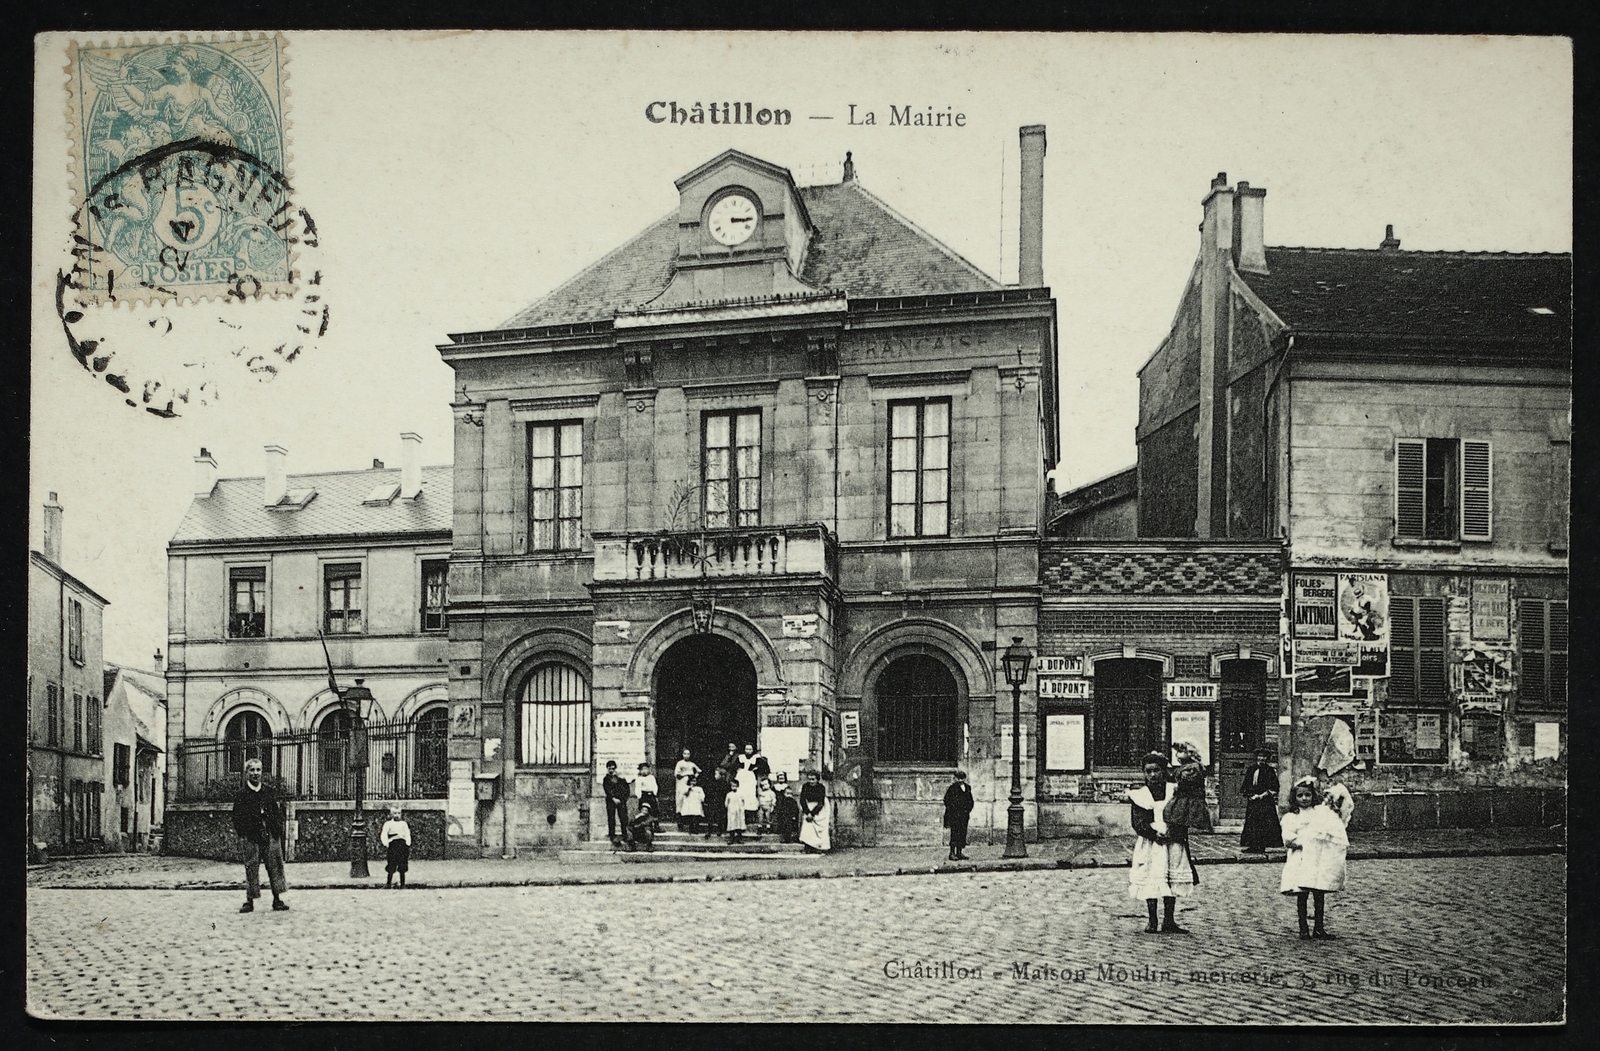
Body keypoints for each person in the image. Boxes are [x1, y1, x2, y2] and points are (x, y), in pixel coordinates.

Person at [1127, 752, 1196, 934]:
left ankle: (1169, 920)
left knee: (1170, 878)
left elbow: (1183, 813)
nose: (1152, 775)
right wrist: (1153, 834)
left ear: (1164, 771)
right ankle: (1152, 920)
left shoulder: (1174, 791)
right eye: (1148, 771)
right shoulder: (1140, 795)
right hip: (1152, 843)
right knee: (1152, 877)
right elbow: (1138, 822)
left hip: (1173, 841)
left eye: (1156, 770)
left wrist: (1174, 831)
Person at [1279, 775, 1354, 939]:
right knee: (1302, 893)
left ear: (1313, 796)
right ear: (1294, 798)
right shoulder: (1292, 817)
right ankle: (1303, 928)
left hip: (1318, 860)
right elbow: (1289, 840)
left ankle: (1319, 928)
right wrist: (1308, 841)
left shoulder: (1320, 813)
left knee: (1319, 893)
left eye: (1308, 795)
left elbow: (1331, 827)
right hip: (1301, 859)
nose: (1304, 798)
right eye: (1300, 795)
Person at [231, 758, 289, 913]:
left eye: (258, 770)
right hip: (251, 836)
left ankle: (277, 899)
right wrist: (244, 833)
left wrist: (277, 830)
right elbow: (236, 817)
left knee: (275, 866)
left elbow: (276, 812)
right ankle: (249, 901)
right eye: (252, 770)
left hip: (270, 834)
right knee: (251, 866)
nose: (255, 773)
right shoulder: (242, 795)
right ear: (246, 773)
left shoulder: (269, 791)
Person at [1239, 747, 1283, 853]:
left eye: (1264, 757)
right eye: (1260, 756)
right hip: (1253, 801)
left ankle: (1262, 845)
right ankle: (1253, 845)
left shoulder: (1270, 771)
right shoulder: (1251, 769)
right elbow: (1246, 785)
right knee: (1252, 823)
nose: (1261, 758)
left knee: (1264, 823)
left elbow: (1274, 787)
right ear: (1256, 757)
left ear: (1267, 758)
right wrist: (1250, 795)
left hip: (1265, 802)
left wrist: (1262, 795)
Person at [942, 770, 975, 861]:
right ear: (955, 779)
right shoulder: (952, 788)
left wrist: (967, 810)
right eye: (958, 778)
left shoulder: (967, 787)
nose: (960, 780)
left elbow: (970, 800)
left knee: (962, 832)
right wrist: (953, 810)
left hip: (964, 815)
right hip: (955, 815)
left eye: (962, 778)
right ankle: (952, 853)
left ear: (964, 779)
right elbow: (947, 800)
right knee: (955, 833)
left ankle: (959, 852)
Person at [380, 804, 411, 889]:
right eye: (395, 813)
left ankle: (402, 884)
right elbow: (384, 834)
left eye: (399, 813)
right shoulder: (388, 824)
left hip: (402, 845)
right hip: (393, 845)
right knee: (391, 864)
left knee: (402, 864)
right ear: (391, 814)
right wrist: (386, 843)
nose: (397, 815)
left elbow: (407, 834)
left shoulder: (403, 824)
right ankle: (388, 883)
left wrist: (407, 844)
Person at [798, 770, 830, 853]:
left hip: (818, 809)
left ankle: (818, 847)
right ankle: (808, 847)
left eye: (813, 779)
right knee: (808, 827)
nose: (811, 781)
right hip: (808, 808)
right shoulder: (805, 786)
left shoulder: (821, 787)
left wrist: (812, 814)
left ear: (817, 780)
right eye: (809, 779)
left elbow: (821, 802)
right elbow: (802, 800)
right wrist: (807, 812)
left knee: (820, 828)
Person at [601, 760, 631, 845]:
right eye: (609, 768)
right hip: (611, 801)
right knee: (611, 818)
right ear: (607, 769)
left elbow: (626, 789)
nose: (611, 770)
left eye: (613, 768)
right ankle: (612, 835)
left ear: (615, 768)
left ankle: (625, 835)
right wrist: (613, 798)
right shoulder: (606, 779)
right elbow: (607, 790)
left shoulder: (620, 778)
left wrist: (624, 799)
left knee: (623, 818)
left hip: (621, 801)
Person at [673, 748, 701, 831]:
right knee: (680, 801)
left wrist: (695, 776)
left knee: (689, 802)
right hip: (681, 784)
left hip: (689, 784)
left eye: (688, 754)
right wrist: (686, 774)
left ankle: (689, 823)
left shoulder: (691, 764)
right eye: (685, 754)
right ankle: (680, 823)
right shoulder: (680, 763)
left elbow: (699, 770)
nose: (686, 755)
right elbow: (677, 774)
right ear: (682, 754)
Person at [771, 773, 801, 843]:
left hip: (790, 816)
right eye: (787, 794)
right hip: (781, 811)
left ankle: (788, 838)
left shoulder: (793, 801)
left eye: (790, 794)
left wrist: (794, 815)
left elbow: (795, 809)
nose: (789, 795)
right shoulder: (783, 801)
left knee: (789, 826)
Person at [737, 744, 762, 827]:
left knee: (750, 795)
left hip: (750, 778)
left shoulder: (756, 757)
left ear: (753, 750)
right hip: (741, 777)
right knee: (741, 794)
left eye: (750, 749)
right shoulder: (740, 757)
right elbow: (735, 766)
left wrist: (756, 768)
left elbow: (763, 766)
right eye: (746, 749)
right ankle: (741, 817)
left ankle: (750, 818)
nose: (748, 751)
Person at [632, 763, 660, 832]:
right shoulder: (639, 779)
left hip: (651, 795)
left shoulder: (651, 778)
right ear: (640, 771)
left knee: (654, 810)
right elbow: (638, 788)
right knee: (645, 810)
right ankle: (646, 826)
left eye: (646, 769)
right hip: (644, 796)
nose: (644, 771)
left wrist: (655, 793)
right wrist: (639, 796)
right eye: (642, 769)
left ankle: (656, 826)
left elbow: (655, 786)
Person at [702, 766, 728, 839]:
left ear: (721, 775)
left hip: (720, 803)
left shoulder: (725, 784)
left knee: (720, 817)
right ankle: (709, 830)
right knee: (710, 817)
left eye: (716, 774)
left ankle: (720, 830)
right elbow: (709, 792)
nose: (715, 776)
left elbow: (725, 794)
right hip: (713, 802)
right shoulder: (713, 783)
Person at [724, 775, 748, 844]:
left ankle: (739, 838)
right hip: (732, 811)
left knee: (739, 825)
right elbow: (726, 803)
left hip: (739, 812)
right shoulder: (729, 794)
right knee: (732, 824)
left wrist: (741, 808)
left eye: (735, 786)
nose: (734, 787)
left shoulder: (740, 794)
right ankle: (731, 839)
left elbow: (743, 801)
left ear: (738, 786)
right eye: (732, 786)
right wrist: (729, 808)